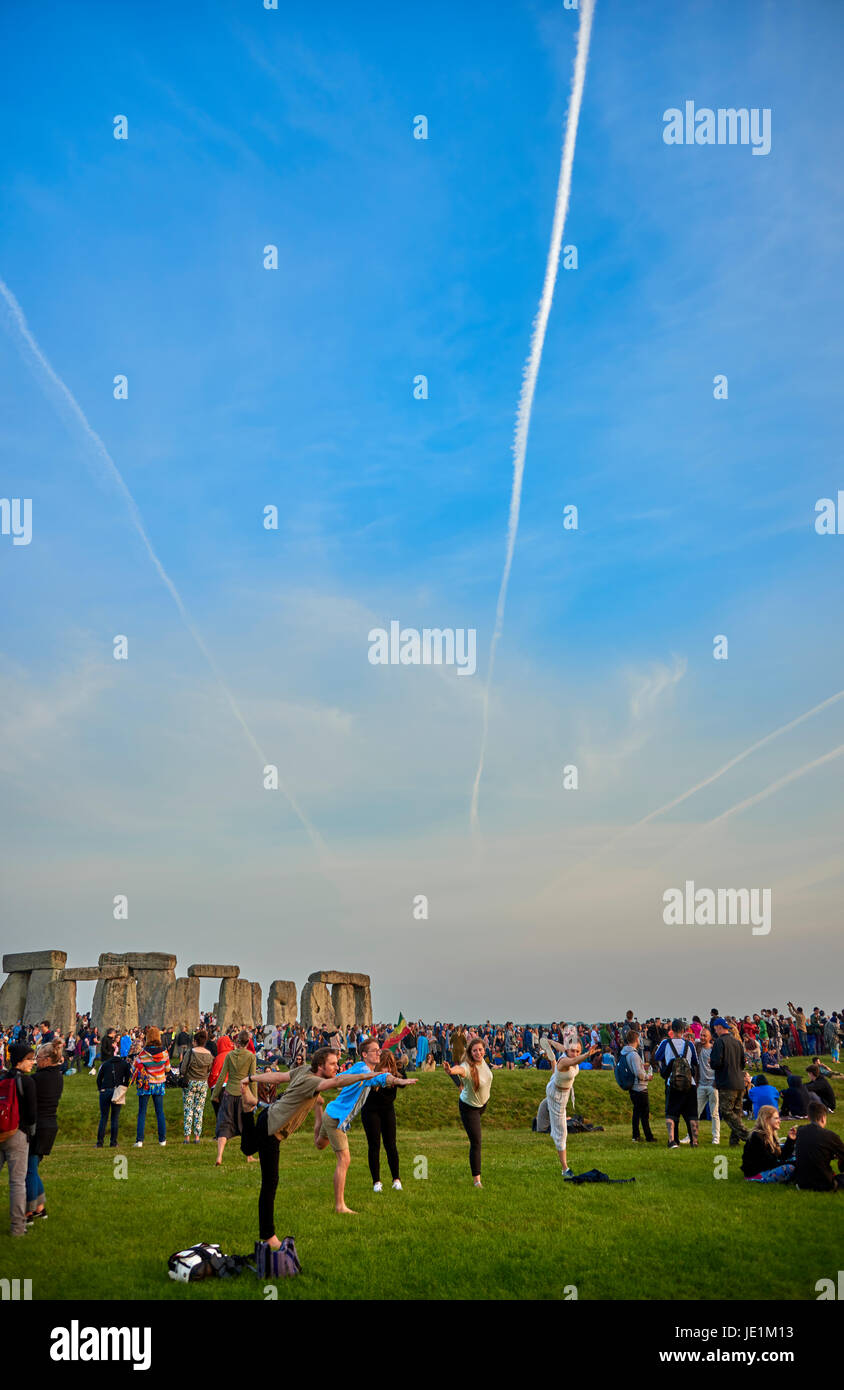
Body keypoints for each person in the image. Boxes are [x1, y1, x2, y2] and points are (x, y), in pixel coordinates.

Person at [239, 1047, 384, 1246]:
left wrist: (252, 1079)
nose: (337, 1067)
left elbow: (280, 1077)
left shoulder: (304, 1069)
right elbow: (337, 1081)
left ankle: (247, 1109)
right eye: (332, 1064)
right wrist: (365, 1075)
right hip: (272, 1128)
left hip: (268, 1117)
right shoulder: (312, 1081)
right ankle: (269, 1236)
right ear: (320, 1066)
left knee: (247, 1149)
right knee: (270, 1182)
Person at [315, 1036, 416, 1213]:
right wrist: (399, 1081)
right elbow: (380, 1078)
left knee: (320, 1145)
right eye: (375, 1051)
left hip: (330, 1112)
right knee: (344, 1159)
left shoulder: (358, 1068)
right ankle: (340, 1206)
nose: (379, 1053)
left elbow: (340, 1078)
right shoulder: (363, 1069)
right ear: (364, 1054)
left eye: (379, 1050)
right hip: (336, 1119)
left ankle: (318, 1111)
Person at [540, 1036, 602, 1176]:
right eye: (572, 1050)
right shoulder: (566, 1060)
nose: (574, 1053)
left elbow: (560, 1046)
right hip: (556, 1094)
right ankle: (565, 1169)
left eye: (577, 1051)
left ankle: (552, 1062)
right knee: (561, 1133)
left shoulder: (566, 1051)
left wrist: (550, 1042)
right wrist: (586, 1054)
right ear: (568, 1050)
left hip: (561, 1087)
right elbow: (574, 1060)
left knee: (556, 1074)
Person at [444, 1037, 494, 1188]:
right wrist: (451, 1070)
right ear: (470, 1053)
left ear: (484, 1050)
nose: (478, 1053)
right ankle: (477, 1181)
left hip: (482, 1105)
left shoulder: (483, 1062)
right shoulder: (466, 1066)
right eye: (475, 1051)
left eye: (480, 1050)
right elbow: (459, 1069)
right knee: (476, 1143)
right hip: (469, 1108)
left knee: (476, 1140)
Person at [0, 1042, 37, 1237]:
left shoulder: (1, 1078)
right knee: (17, 1183)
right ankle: (17, 1228)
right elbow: (32, 1114)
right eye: (30, 1059)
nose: (33, 1062)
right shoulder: (27, 1082)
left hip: (0, 1132)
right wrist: (30, 1132)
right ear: (20, 1062)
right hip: (18, 1134)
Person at [26, 1039, 64, 1222]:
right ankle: (41, 1209)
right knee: (33, 1168)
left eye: (38, 1057)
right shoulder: (58, 1076)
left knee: (29, 1170)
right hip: (50, 1126)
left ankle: (30, 1212)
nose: (35, 1061)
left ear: (47, 1059)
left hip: (37, 1127)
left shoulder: (37, 1079)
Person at [212, 1030, 258, 1165]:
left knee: (224, 1123)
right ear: (248, 1042)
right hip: (244, 1095)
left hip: (229, 1093)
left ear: (237, 1042)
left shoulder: (230, 1055)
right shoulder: (251, 1057)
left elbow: (221, 1077)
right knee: (246, 1126)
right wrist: (254, 1098)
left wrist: (215, 1095)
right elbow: (252, 1079)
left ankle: (219, 1156)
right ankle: (249, 1156)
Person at [361, 1048, 404, 1192]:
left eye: (389, 1065)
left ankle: (396, 1179)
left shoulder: (395, 1075)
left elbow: (403, 1081)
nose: (387, 1069)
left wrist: (398, 1073)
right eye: (384, 1065)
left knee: (391, 1144)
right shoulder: (372, 1076)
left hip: (388, 1110)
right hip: (370, 1111)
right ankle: (376, 1182)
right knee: (374, 1145)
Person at [654, 1020, 699, 1149]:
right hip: (690, 1083)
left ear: (672, 1030)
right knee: (692, 1114)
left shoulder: (665, 1043)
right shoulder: (689, 1044)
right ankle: (694, 1141)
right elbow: (695, 1061)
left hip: (672, 1082)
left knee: (671, 1113)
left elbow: (657, 1057)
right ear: (684, 1030)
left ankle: (672, 1140)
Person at [710, 1017, 750, 1148]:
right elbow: (743, 1063)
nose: (715, 1031)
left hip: (727, 1082)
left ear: (719, 1028)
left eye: (715, 1029)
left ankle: (748, 1136)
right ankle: (734, 1142)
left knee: (726, 1111)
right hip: (739, 1082)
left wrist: (712, 1062)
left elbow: (716, 1063)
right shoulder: (737, 1042)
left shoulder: (719, 1042)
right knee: (736, 1113)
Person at [793, 1100, 844, 1191]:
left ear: (808, 1117)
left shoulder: (800, 1131)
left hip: (801, 1183)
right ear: (823, 1118)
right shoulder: (830, 1135)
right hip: (825, 1184)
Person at [132, 1026, 170, 1148]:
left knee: (142, 1112)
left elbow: (135, 1065)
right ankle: (162, 1140)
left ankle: (139, 1141)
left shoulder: (143, 1053)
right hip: (159, 1084)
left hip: (146, 1085)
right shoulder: (164, 1053)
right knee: (160, 1112)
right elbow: (168, 1069)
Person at [741, 1105, 797, 1183]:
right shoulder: (757, 1137)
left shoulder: (769, 1135)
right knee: (790, 1167)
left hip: (768, 1167)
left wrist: (790, 1140)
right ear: (766, 1120)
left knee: (794, 1156)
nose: (779, 1121)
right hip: (757, 1173)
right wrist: (793, 1163)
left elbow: (781, 1156)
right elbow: (770, 1163)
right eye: (776, 1118)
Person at [621, 1026, 655, 1142]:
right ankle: (648, 1136)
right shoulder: (634, 1054)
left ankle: (635, 1135)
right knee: (644, 1114)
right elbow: (639, 1073)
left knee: (636, 1112)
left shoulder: (626, 1053)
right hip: (640, 1087)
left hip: (632, 1087)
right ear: (636, 1040)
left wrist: (641, 1066)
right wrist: (647, 1077)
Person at [96, 1039, 131, 1147]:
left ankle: (100, 1143)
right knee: (115, 1118)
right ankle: (113, 1142)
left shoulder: (106, 1064)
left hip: (105, 1090)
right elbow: (128, 1077)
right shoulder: (124, 1064)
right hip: (117, 1090)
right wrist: (123, 1086)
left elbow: (99, 1079)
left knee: (104, 1117)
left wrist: (100, 1088)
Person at [180, 1030, 213, 1143]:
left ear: (195, 1041)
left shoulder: (190, 1053)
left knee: (188, 1109)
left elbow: (183, 1069)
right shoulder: (209, 1055)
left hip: (190, 1082)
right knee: (199, 1110)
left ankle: (187, 1137)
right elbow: (210, 1069)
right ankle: (197, 1137)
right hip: (203, 1082)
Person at [696, 1028, 721, 1144]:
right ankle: (691, 1135)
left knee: (714, 1113)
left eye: (705, 1036)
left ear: (710, 1038)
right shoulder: (698, 1048)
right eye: (701, 1035)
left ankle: (716, 1137)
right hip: (701, 1084)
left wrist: (716, 1083)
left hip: (712, 1085)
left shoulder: (714, 1050)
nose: (702, 1037)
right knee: (695, 1112)